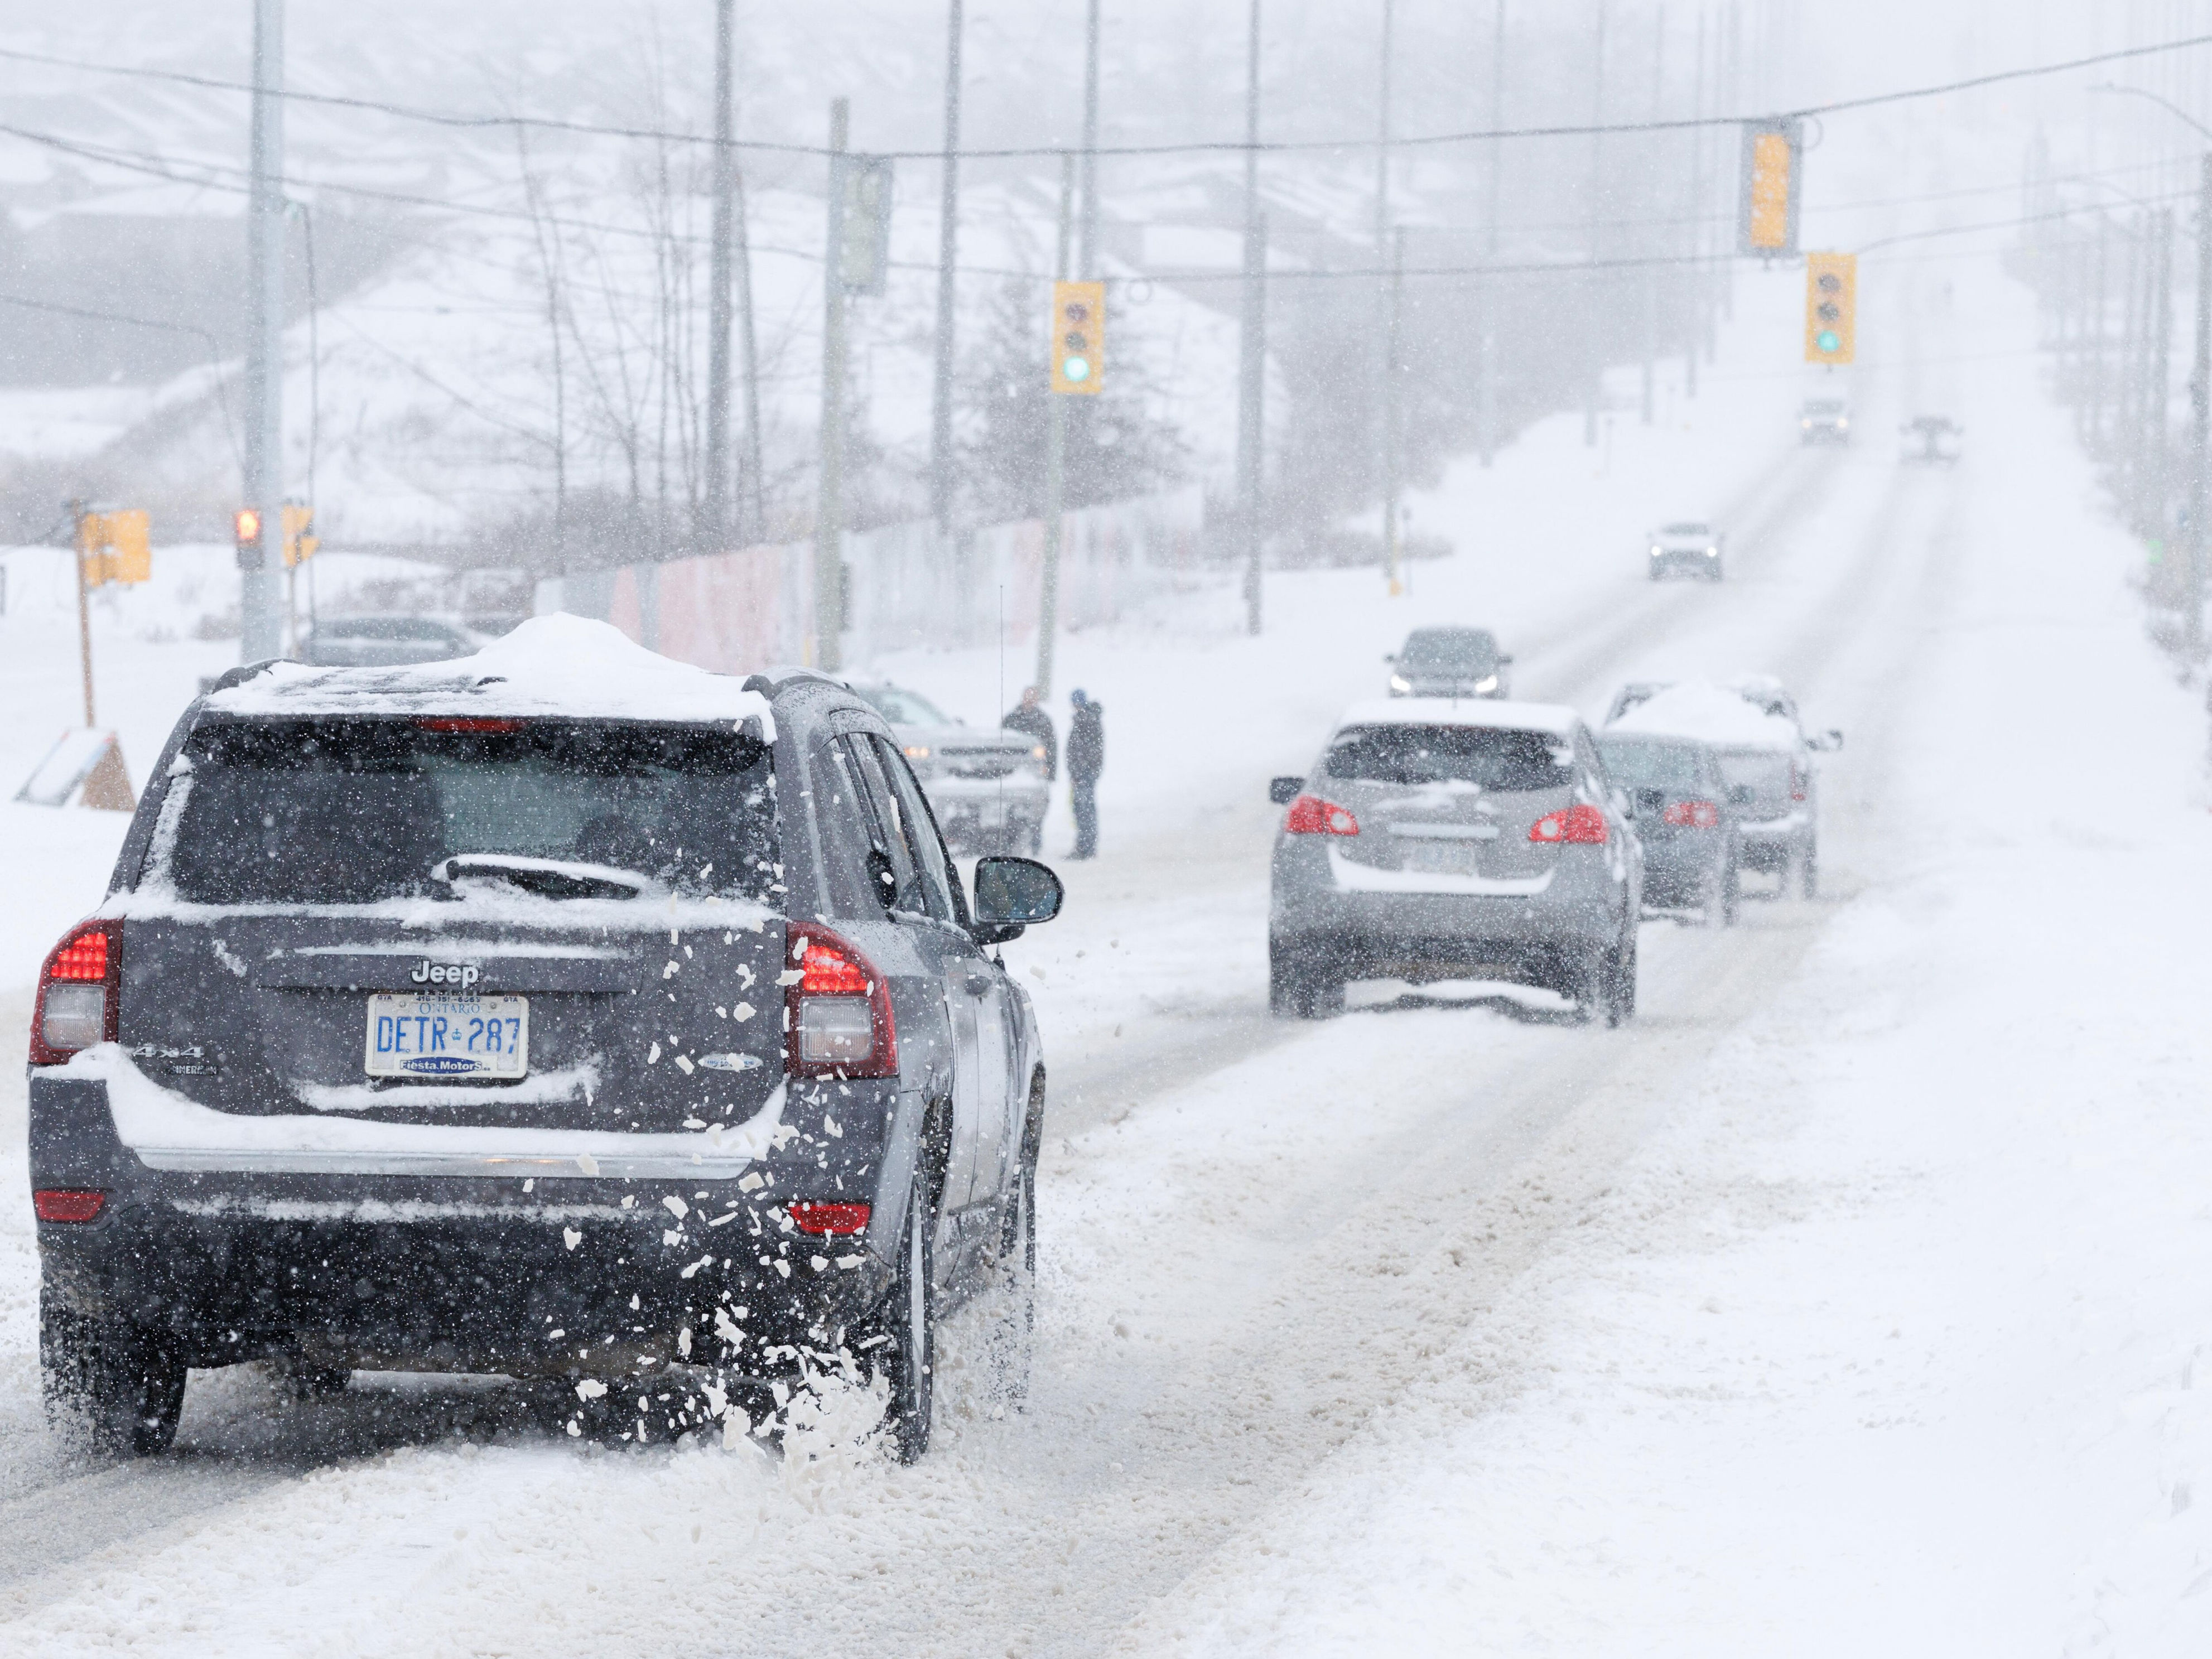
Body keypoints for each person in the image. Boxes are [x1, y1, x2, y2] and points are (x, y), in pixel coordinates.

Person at [1067, 688, 1104, 860]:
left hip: (1084, 774)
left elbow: (1085, 752)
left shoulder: (1086, 721)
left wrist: (1079, 773)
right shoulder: (1088, 719)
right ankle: (1086, 846)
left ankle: (1085, 847)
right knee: (1084, 809)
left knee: (1084, 810)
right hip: (1084, 774)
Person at [1003, 684, 1057, 782]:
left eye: (1033, 698)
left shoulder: (1044, 721)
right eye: (1028, 697)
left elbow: (1051, 746)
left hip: (1035, 767)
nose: (1030, 700)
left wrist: (1050, 771)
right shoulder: (1011, 719)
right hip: (1011, 766)